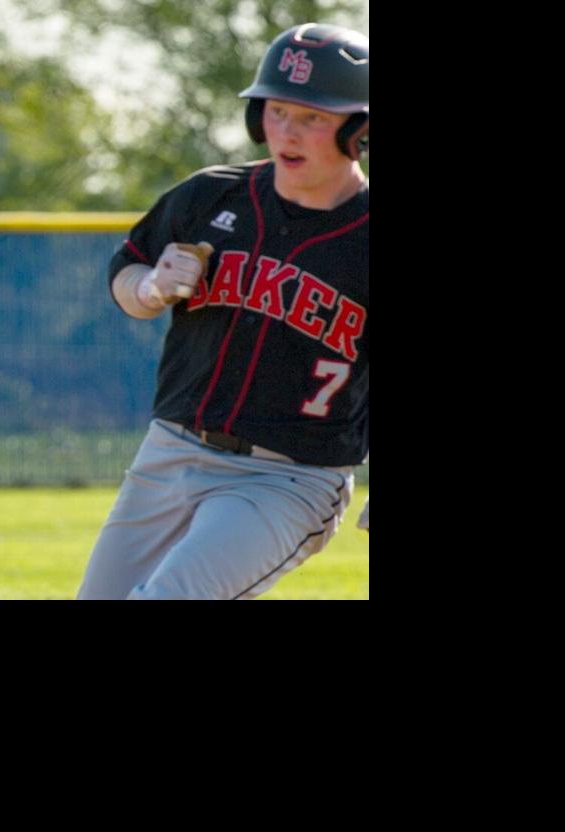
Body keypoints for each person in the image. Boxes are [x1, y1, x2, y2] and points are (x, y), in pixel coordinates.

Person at [78, 23, 369, 600]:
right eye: (277, 110)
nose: (288, 130)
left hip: (286, 477)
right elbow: (125, 273)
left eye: (314, 116)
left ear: (358, 130)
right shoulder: (212, 195)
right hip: (170, 451)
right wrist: (152, 286)